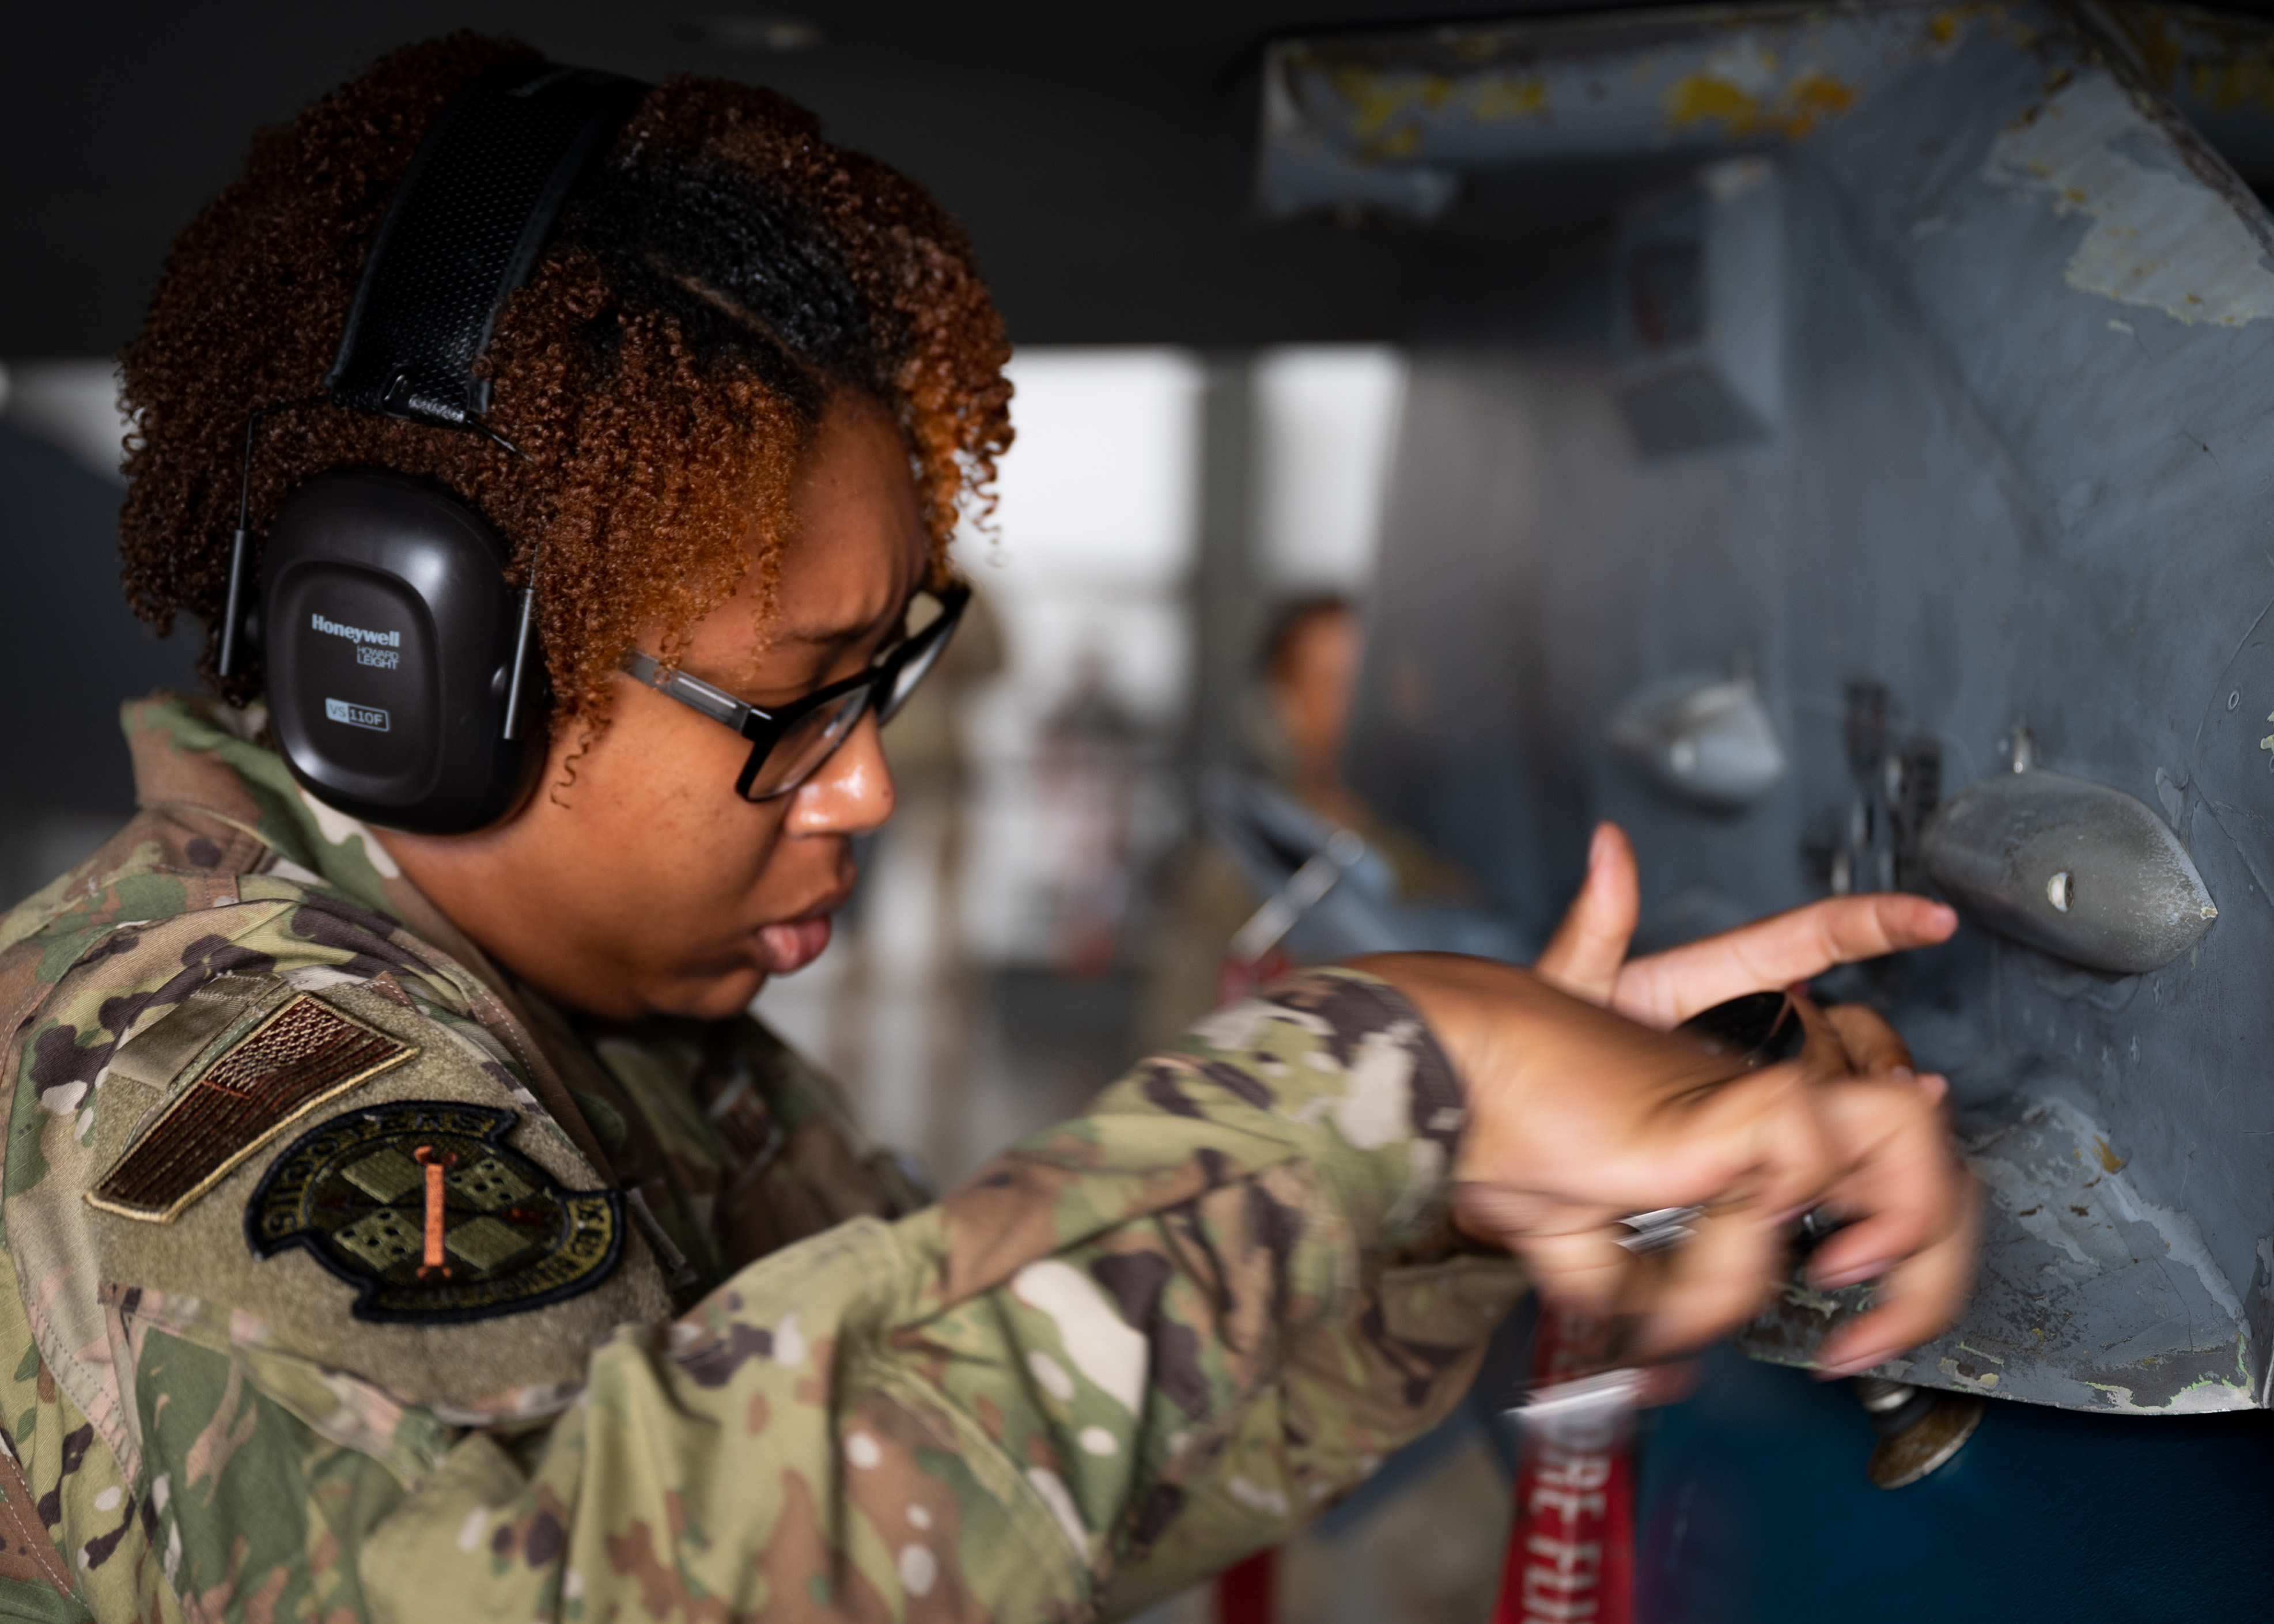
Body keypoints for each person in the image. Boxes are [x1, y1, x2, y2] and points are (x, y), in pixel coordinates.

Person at [0, 37, 1974, 1623]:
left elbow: (967, 1507)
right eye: (794, 700)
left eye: (887, 680)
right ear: (415, 672)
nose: (863, 782)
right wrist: (1381, 1074)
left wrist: (1446, 1196)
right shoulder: (211, 1072)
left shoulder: (625, 1046)